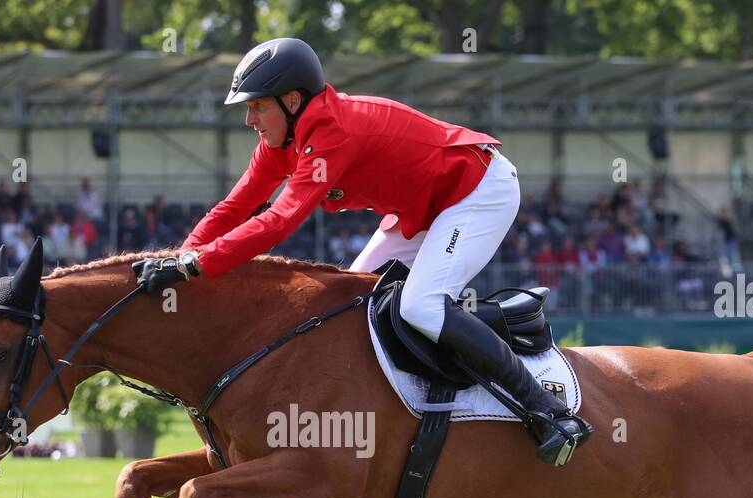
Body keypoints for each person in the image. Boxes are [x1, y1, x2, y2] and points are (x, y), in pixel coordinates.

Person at [131, 37, 590, 465]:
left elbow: (279, 221)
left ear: (292, 101)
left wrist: (196, 264)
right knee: (342, 306)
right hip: (422, 208)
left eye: (256, 107)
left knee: (422, 306)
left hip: (477, 192)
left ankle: (547, 410)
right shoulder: (281, 140)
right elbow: (236, 206)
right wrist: (178, 257)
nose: (249, 120)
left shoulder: (332, 131)